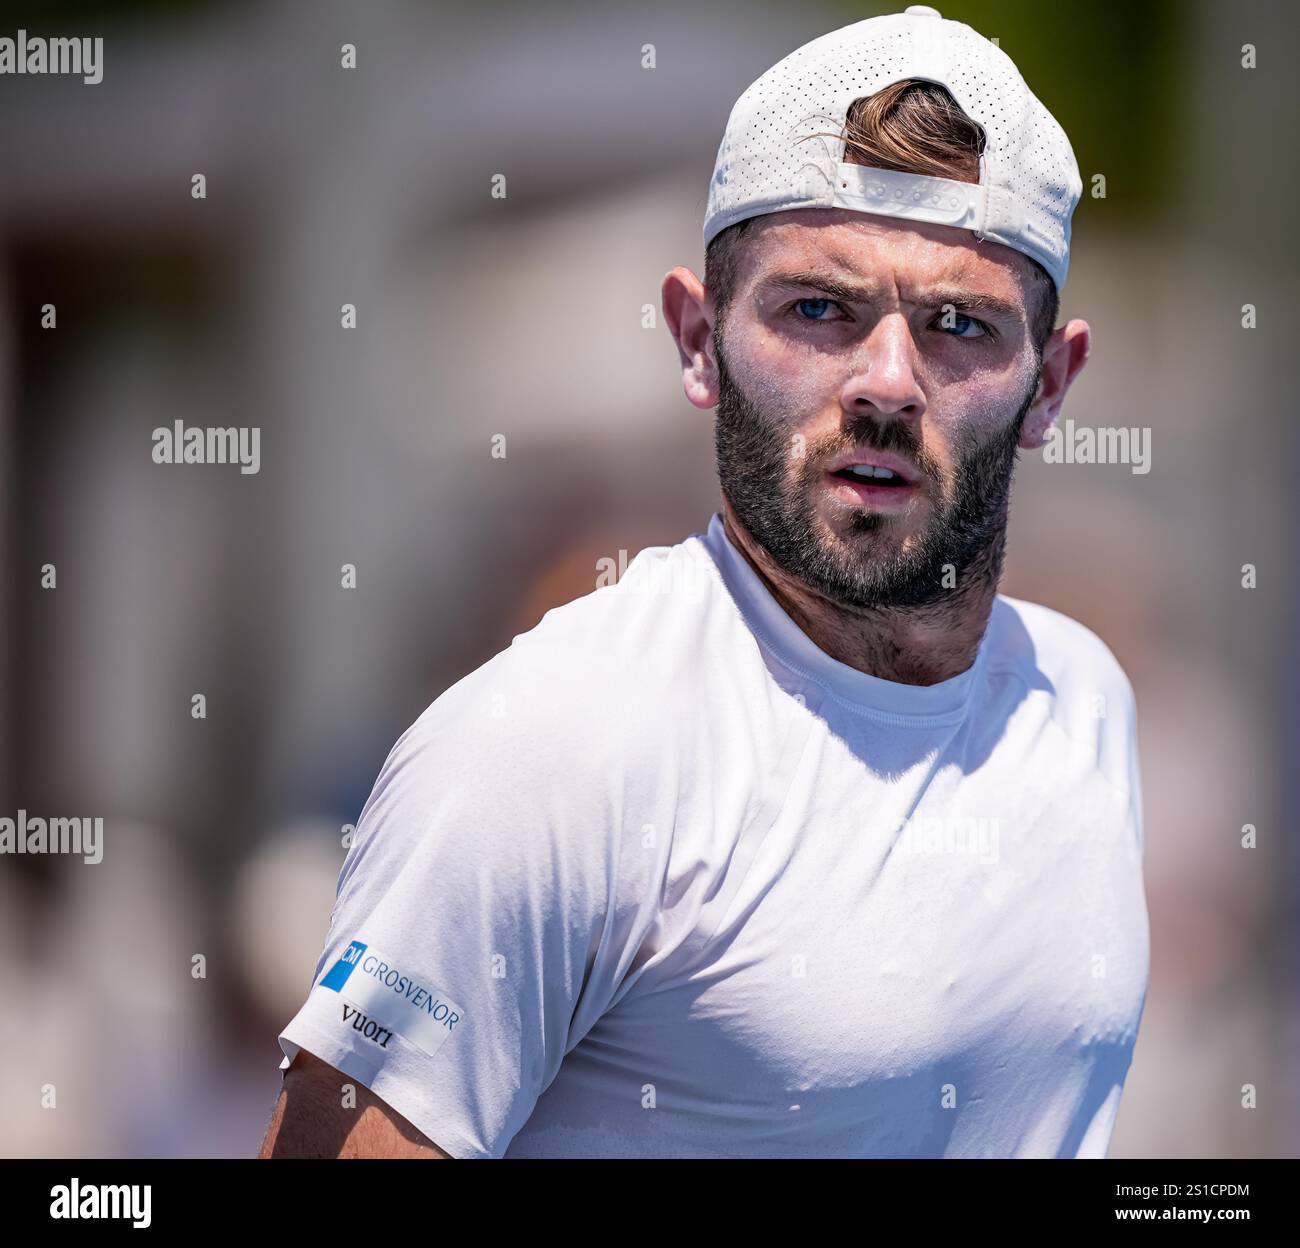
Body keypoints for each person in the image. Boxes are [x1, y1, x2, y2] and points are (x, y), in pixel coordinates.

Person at [259, 5, 1149, 1159]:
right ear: (695, 336)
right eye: (818, 310)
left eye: (958, 324)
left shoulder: (1081, 703)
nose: (886, 382)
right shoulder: (549, 752)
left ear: (1049, 385)